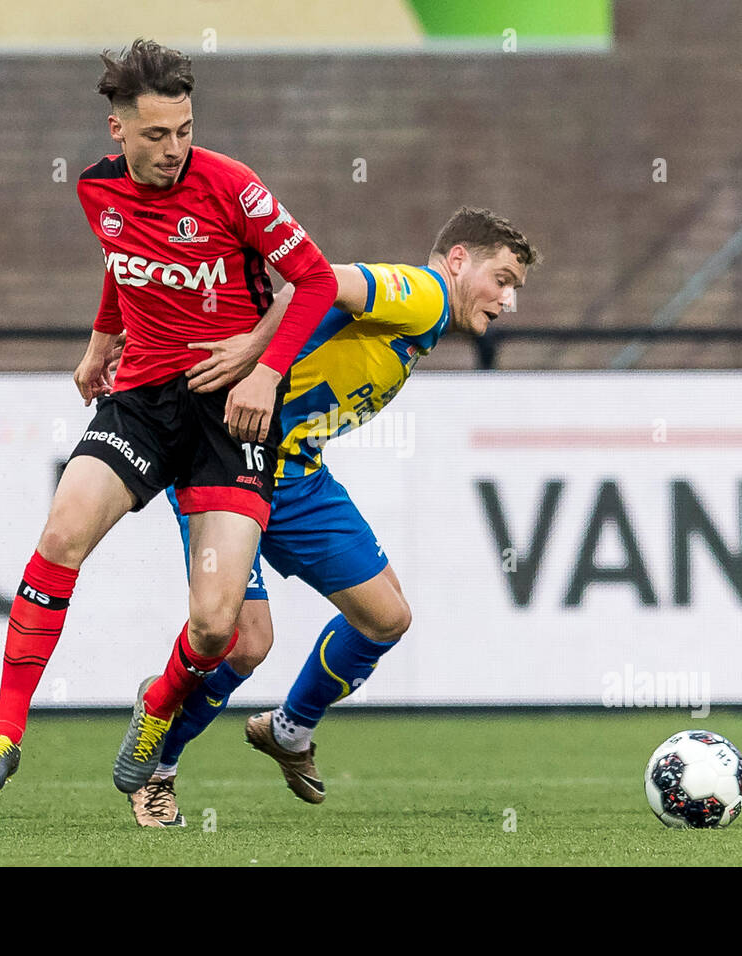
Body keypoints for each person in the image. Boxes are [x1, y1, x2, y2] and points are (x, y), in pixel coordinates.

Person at [0, 38, 337, 795]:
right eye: (158, 135)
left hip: (229, 416)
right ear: (119, 131)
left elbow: (317, 280)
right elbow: (121, 255)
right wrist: (101, 344)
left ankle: (159, 704)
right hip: (138, 402)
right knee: (62, 531)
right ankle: (3, 731)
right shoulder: (96, 191)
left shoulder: (232, 187)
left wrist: (264, 372)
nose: (175, 149)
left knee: (216, 626)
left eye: (186, 130)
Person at [124, 206, 538, 826]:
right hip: (227, 459)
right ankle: (157, 767)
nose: (508, 300)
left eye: (515, 289)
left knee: (385, 617)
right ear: (458, 261)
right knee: (244, 644)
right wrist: (260, 363)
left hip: (296, 474)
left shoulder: (423, 323)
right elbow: (316, 278)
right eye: (501, 279)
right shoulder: (423, 295)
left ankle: (288, 730)